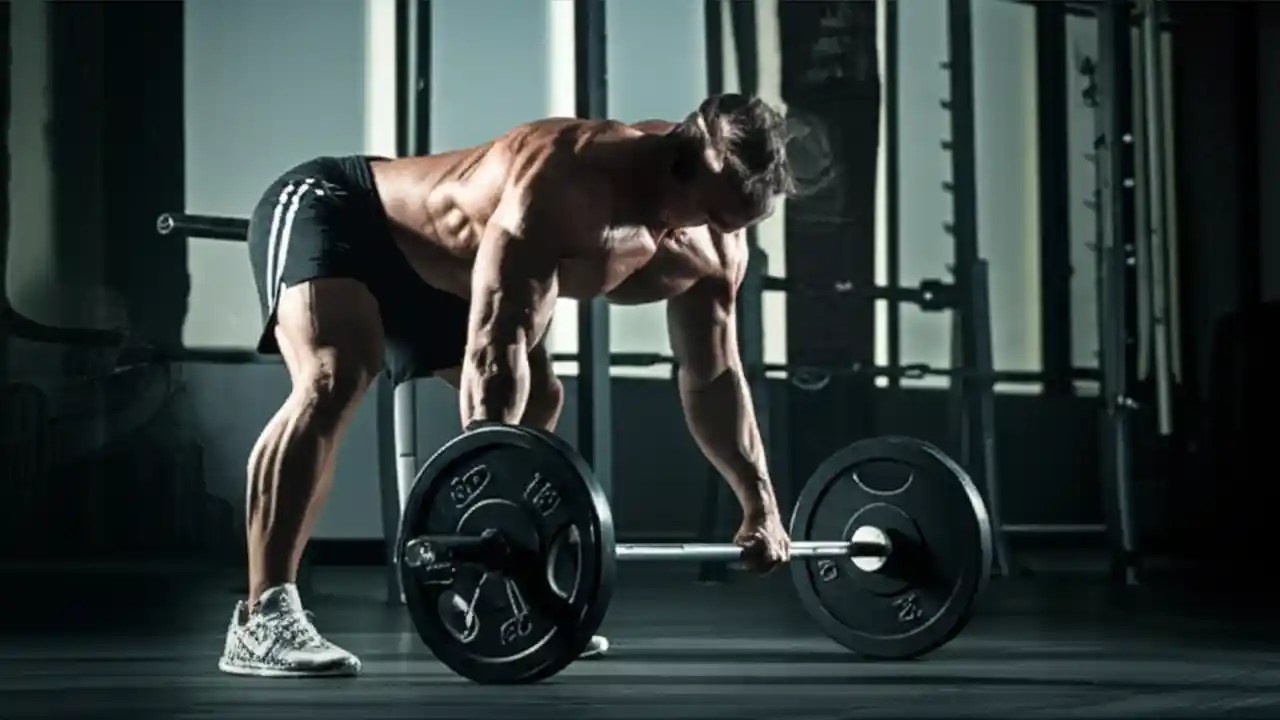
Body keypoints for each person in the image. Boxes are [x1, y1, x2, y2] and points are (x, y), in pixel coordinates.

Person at [218, 93, 796, 678]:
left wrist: (760, 503)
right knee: (335, 375)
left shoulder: (715, 245)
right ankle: (261, 616)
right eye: (712, 214)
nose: (717, 234)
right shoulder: (566, 177)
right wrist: (485, 508)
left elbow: (714, 375)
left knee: (542, 398)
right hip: (345, 211)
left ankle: (488, 593)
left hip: (442, 277)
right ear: (680, 160)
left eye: (733, 223)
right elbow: (500, 343)